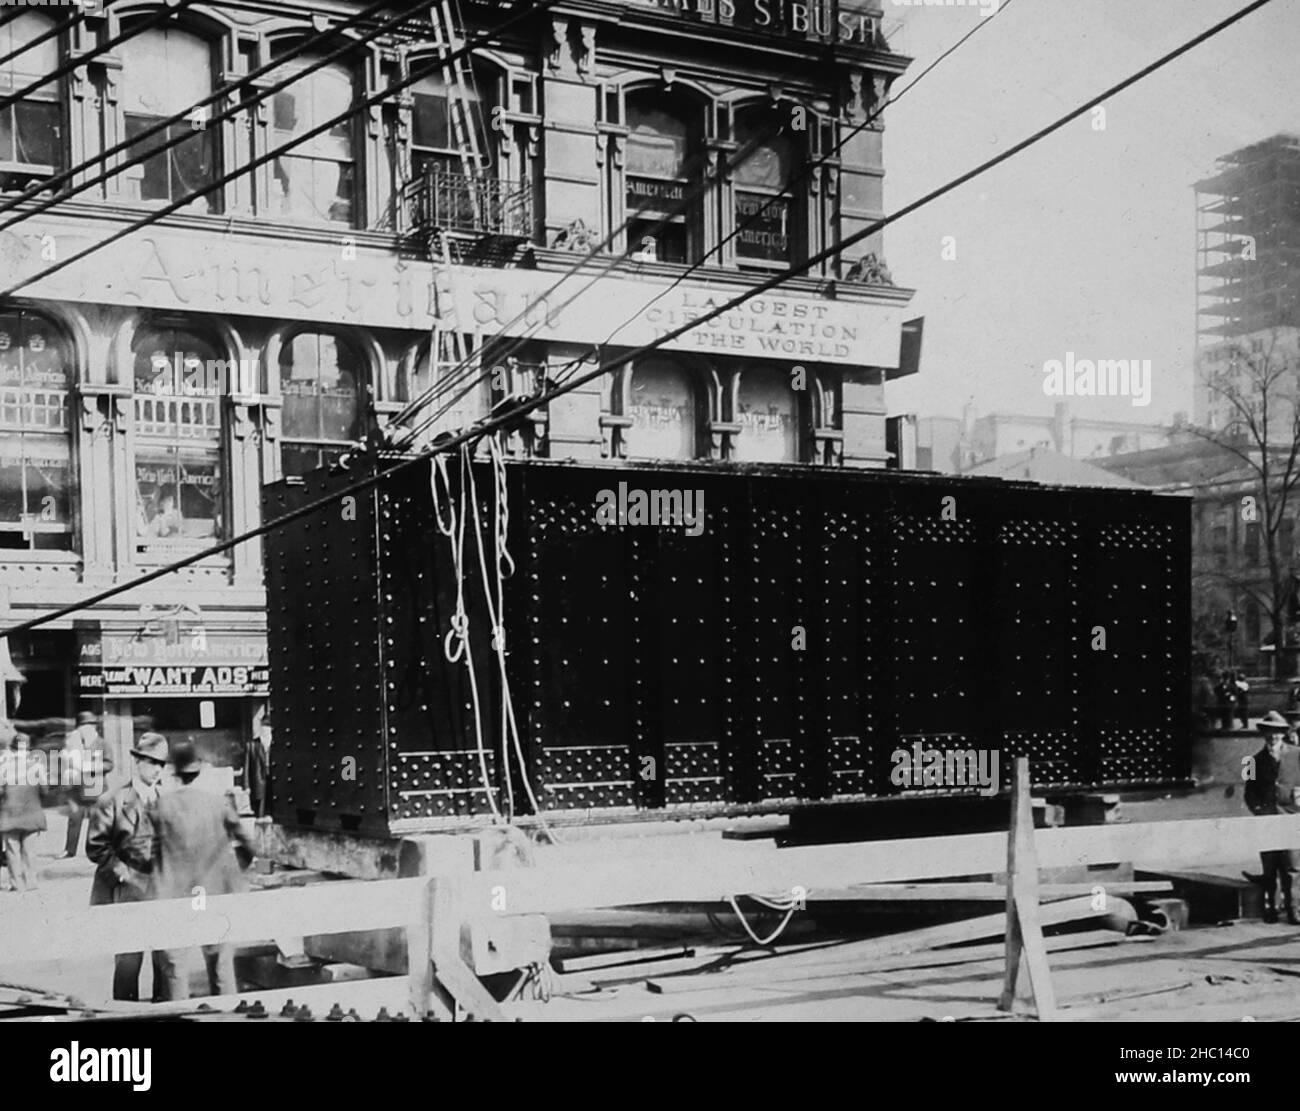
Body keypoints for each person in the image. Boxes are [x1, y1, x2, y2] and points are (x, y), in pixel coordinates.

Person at [153, 740, 255, 1000]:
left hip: (175, 896)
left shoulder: (162, 806)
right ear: (200, 770)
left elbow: (148, 850)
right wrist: (234, 869)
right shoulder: (218, 803)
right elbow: (247, 842)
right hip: (214, 893)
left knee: (176, 968)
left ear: (174, 772)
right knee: (221, 964)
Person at [86, 732, 169, 1002]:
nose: (157, 769)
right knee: (128, 962)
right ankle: (124, 1014)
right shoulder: (112, 800)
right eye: (151, 762)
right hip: (124, 889)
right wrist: (124, 875)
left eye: (161, 764)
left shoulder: (166, 800)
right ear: (137, 761)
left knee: (165, 959)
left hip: (160, 888)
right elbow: (96, 847)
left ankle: (164, 1014)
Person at [1243, 711, 1300, 925]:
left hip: (1291, 818)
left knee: (1293, 866)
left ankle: (1294, 909)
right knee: (1270, 867)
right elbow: (1248, 793)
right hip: (1266, 820)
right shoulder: (1251, 761)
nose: (1273, 737)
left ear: (1283, 734)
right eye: (1269, 732)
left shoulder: (1297, 753)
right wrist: (1259, 811)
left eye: (1277, 733)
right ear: (1263, 734)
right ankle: (1271, 909)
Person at [61, 710, 115, 859]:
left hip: (97, 787)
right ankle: (69, 850)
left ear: (94, 727)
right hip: (77, 788)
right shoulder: (74, 744)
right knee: (74, 819)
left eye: (88, 726)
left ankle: (96, 850)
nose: (84, 730)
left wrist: (91, 767)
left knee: (97, 821)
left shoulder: (103, 744)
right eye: (82, 727)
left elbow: (110, 764)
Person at [0, 724, 47, 892]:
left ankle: (16, 883)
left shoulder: (4, 767)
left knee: (12, 851)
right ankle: (31, 881)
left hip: (10, 814)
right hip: (32, 813)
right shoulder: (37, 767)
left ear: (13, 749)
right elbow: (45, 790)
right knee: (30, 850)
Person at [246, 710, 272, 819]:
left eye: (268, 727)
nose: (266, 729)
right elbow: (247, 767)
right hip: (258, 784)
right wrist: (246, 786)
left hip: (274, 785)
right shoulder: (251, 745)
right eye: (264, 726)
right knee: (259, 814)